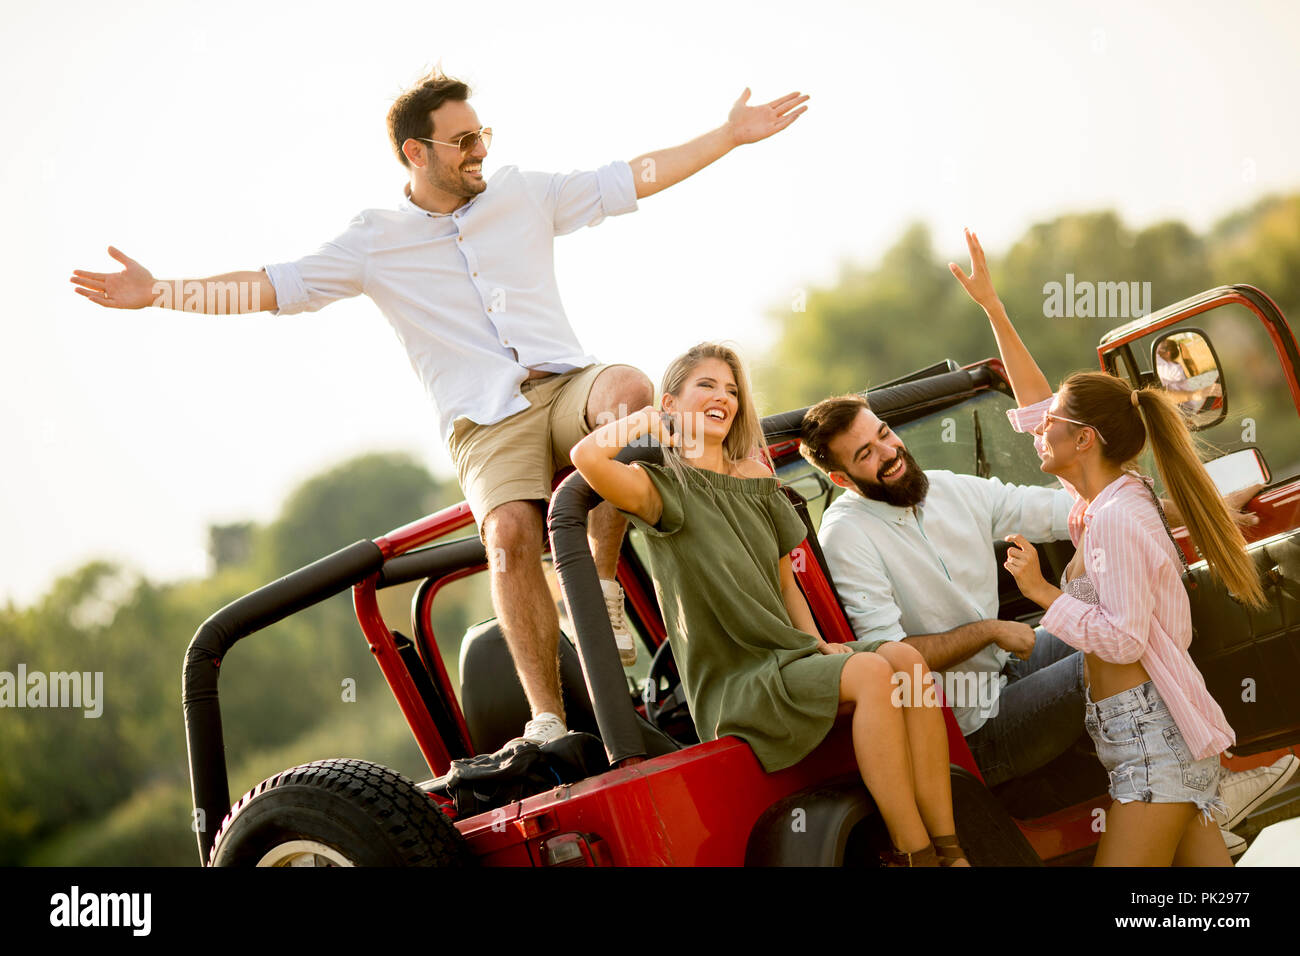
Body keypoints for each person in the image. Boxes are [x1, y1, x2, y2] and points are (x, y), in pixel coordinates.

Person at [69, 69, 809, 747]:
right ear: (414, 154)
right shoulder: (373, 241)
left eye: (483, 135)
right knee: (512, 532)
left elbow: (634, 177)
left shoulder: (523, 191)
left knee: (629, 394)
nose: (480, 150)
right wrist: (159, 290)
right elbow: (272, 286)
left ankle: (602, 592)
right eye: (463, 141)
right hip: (484, 422)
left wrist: (728, 136)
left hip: (565, 385)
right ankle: (548, 719)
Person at [571, 343, 968, 866]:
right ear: (671, 402)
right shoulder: (658, 489)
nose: (723, 397)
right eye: (706, 386)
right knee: (874, 674)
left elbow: (787, 585)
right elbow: (586, 458)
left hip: (792, 655)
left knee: (907, 662)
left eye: (732, 389)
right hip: (738, 680)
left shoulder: (758, 479)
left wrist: (821, 647)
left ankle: (951, 848)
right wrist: (643, 419)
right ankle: (915, 854)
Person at [950, 227, 1269, 866]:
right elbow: (1036, 402)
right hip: (1141, 737)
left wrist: (1042, 594)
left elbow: (1123, 639)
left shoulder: (1118, 518)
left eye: (1052, 427)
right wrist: (994, 310)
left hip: (1152, 743)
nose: (1038, 431)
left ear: (1086, 440)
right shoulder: (1102, 502)